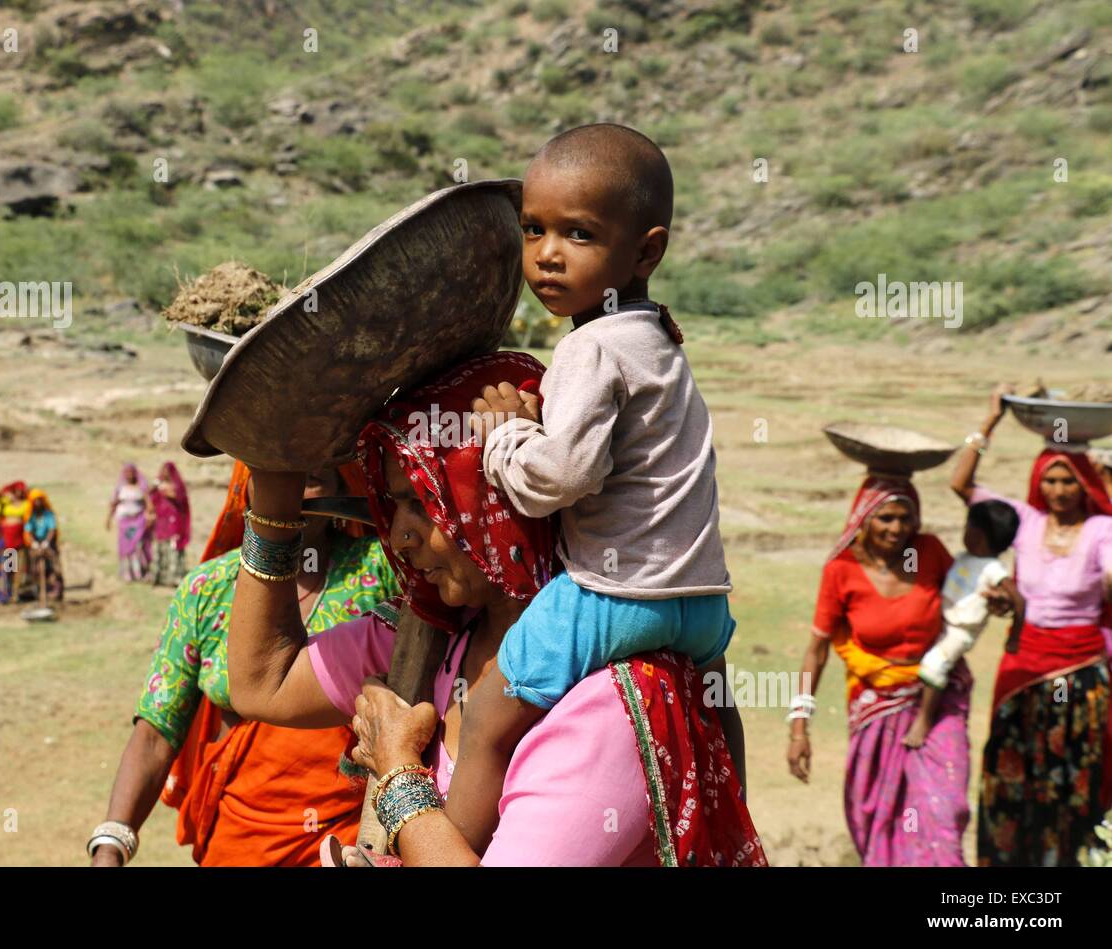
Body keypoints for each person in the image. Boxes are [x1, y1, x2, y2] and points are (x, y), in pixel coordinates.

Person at [227, 352, 765, 867]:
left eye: (423, 503)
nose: (397, 534)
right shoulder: (430, 637)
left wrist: (397, 772)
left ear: (496, 500)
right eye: (393, 506)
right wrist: (273, 498)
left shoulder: (609, 699)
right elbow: (262, 681)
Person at [454, 124, 734, 850]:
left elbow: (565, 476)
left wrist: (506, 439)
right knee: (716, 704)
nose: (547, 254)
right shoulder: (659, 340)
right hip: (700, 602)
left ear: (646, 250)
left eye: (578, 234)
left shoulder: (590, 344)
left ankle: (434, 849)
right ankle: (728, 822)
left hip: (615, 597)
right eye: (534, 230)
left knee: (485, 718)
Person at [90, 461, 398, 867]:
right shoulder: (208, 588)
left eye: (311, 479)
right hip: (236, 844)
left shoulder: (381, 569)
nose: (292, 494)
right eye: (278, 478)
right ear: (248, 488)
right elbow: (156, 731)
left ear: (345, 489)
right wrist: (112, 842)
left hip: (346, 845)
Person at [951, 385, 1112, 866]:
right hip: (1022, 666)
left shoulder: (1103, 531)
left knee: (1071, 778)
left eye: (1069, 482)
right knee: (1010, 767)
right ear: (1037, 483)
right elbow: (962, 486)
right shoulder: (1024, 520)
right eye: (1050, 481)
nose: (1059, 492)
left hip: (1081, 672)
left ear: (1085, 486)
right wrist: (990, 420)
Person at [787, 474, 969, 866]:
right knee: (877, 813)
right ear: (863, 518)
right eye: (885, 518)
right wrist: (799, 726)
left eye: (905, 518)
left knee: (946, 806)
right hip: (874, 703)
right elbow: (816, 651)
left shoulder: (930, 551)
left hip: (938, 697)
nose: (896, 528)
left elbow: (967, 599)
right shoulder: (842, 569)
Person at [903, 500, 1024, 749]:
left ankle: (924, 719)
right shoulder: (959, 558)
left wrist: (1014, 633)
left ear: (978, 535)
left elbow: (1017, 600)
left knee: (935, 665)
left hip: (960, 630)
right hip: (945, 621)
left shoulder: (992, 569)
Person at [148, 461, 191, 588]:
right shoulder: (158, 485)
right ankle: (160, 577)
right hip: (162, 523)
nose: (165, 473)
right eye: (164, 470)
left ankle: (174, 578)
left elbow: (179, 499)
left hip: (175, 523)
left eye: (168, 470)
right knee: (161, 549)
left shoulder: (177, 486)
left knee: (174, 549)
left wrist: (164, 490)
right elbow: (152, 501)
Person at [107, 463, 151, 582]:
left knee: (138, 545)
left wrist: (149, 517)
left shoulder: (141, 487)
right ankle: (127, 574)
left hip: (138, 521)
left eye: (131, 472)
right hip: (124, 522)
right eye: (127, 472)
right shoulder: (120, 488)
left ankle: (140, 572)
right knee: (126, 547)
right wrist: (108, 519)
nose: (129, 475)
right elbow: (113, 503)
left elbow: (148, 504)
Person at [24, 488, 63, 603]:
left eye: (39, 500)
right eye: (35, 501)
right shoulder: (31, 515)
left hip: (48, 543)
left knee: (54, 567)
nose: (37, 503)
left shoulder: (48, 514)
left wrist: (46, 542)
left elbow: (52, 529)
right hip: (36, 544)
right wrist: (34, 543)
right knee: (34, 566)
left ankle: (56, 591)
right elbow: (28, 531)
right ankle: (36, 591)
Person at [0, 481, 31, 601]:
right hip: (9, 543)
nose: (19, 493)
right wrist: (8, 497)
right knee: (9, 569)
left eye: (21, 491)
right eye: (16, 490)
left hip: (20, 542)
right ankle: (7, 593)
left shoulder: (26, 504)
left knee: (19, 569)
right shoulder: (6, 504)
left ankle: (16, 593)